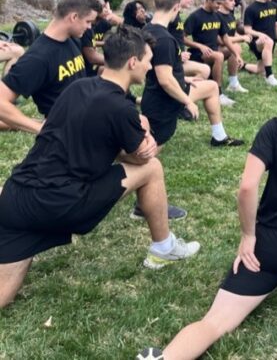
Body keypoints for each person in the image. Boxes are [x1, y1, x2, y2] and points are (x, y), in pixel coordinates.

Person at [138, 58, 277, 360]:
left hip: (266, 251)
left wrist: (248, 235)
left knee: (214, 322)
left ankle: (165, 358)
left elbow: (247, 188)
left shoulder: (276, 129)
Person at [0, 26, 200, 308]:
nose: (150, 66)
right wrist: (146, 138)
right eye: (148, 59)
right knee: (152, 168)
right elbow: (138, 157)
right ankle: (163, 249)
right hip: (60, 203)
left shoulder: (77, 87)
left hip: (16, 197)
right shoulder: (121, 109)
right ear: (132, 62)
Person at [142, 0, 244, 154]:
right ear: (176, 7)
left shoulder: (146, 30)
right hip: (164, 101)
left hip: (154, 95)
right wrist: (188, 102)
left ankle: (219, 137)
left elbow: (157, 70)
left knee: (211, 87)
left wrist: (186, 79)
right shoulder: (165, 39)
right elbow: (165, 80)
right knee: (146, 155)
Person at [0, 0, 100, 133]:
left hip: (86, 115)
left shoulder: (72, 40)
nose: (89, 27)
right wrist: (38, 127)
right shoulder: (38, 58)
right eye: (88, 21)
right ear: (73, 17)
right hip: (69, 132)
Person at [184, 0, 242, 106]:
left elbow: (225, 38)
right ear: (209, 0)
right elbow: (181, 37)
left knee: (232, 49)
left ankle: (233, 83)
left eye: (221, 3)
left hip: (213, 51)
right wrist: (199, 46)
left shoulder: (217, 16)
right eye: (217, 3)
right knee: (219, 56)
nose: (219, 6)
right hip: (198, 54)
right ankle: (219, 94)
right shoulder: (195, 16)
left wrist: (237, 55)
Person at [243, 0, 277, 87]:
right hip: (257, 42)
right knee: (268, 41)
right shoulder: (251, 9)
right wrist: (259, 34)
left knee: (260, 69)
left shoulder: (274, 6)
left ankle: (243, 66)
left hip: (270, 43)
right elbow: (247, 30)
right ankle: (270, 77)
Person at [169, 0, 210, 81]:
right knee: (204, 70)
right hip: (172, 61)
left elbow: (178, 37)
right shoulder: (170, 15)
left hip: (180, 59)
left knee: (205, 70)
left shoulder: (177, 14)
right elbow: (164, 39)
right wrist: (177, 55)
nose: (192, 0)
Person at [218, 0, 252, 94]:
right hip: (213, 48)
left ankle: (233, 83)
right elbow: (221, 40)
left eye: (235, 0)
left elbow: (231, 34)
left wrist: (243, 36)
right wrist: (241, 39)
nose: (234, 3)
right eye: (231, 0)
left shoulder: (230, 16)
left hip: (224, 46)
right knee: (236, 47)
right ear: (222, 2)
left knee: (236, 46)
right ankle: (233, 83)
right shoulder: (217, 16)